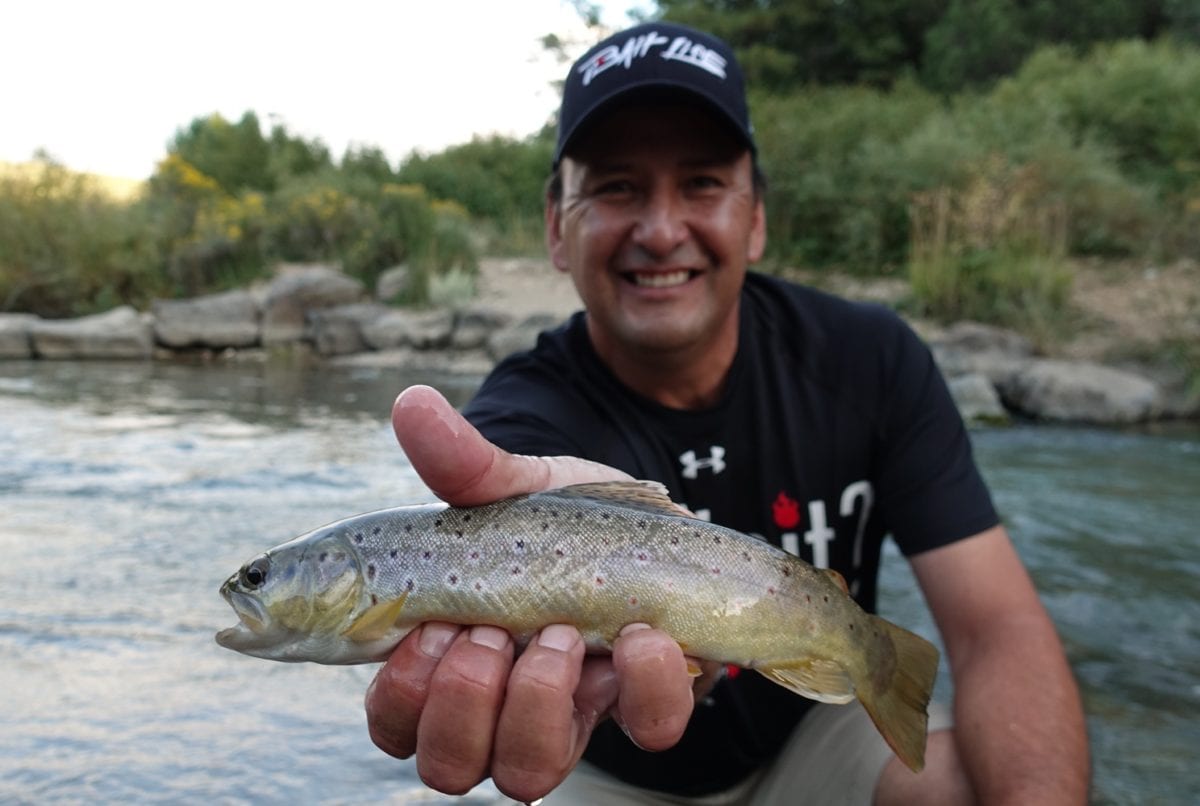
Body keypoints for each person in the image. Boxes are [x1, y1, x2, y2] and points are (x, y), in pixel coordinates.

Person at [364, 21, 1089, 805]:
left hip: (814, 738)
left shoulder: (870, 360)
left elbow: (995, 630)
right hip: (598, 769)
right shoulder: (523, 424)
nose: (662, 229)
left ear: (756, 216)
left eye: (703, 183)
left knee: (974, 785)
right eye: (615, 186)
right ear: (555, 227)